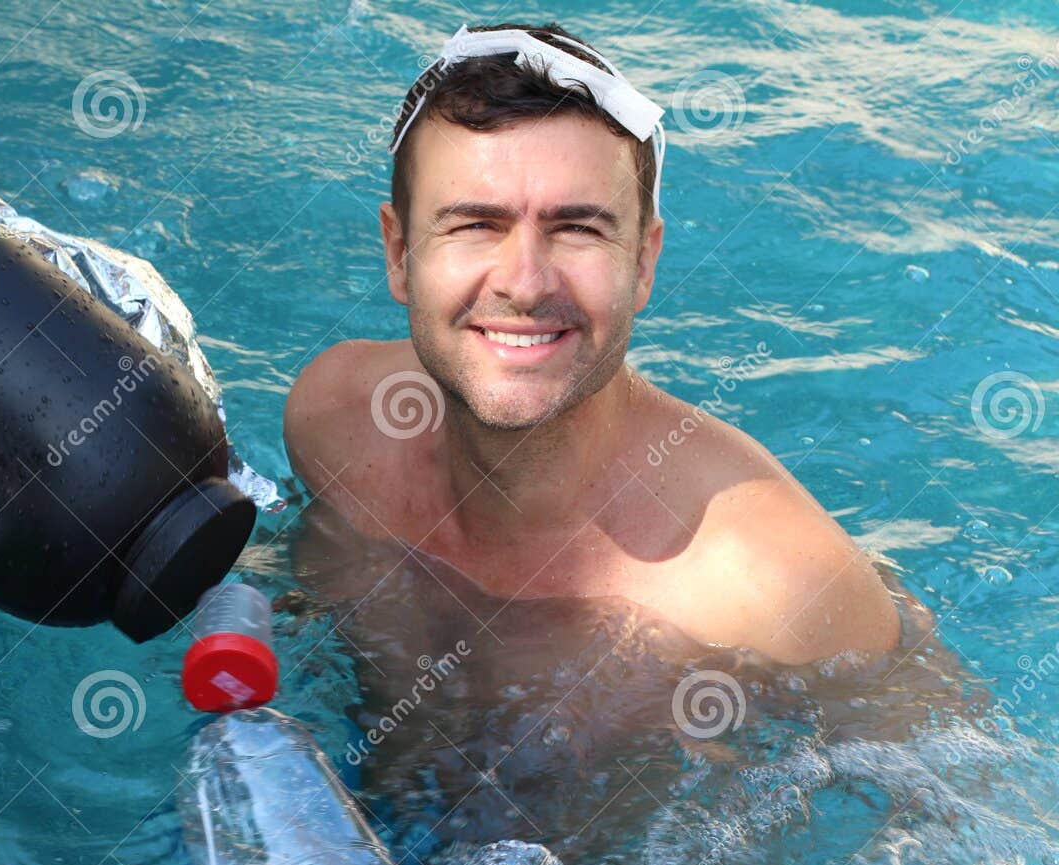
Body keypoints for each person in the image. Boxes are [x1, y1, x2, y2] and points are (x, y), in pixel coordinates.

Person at [283, 21, 901, 666]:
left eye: (578, 228)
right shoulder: (336, 425)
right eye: (474, 224)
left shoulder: (774, 589)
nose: (524, 285)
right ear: (399, 252)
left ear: (642, 263)